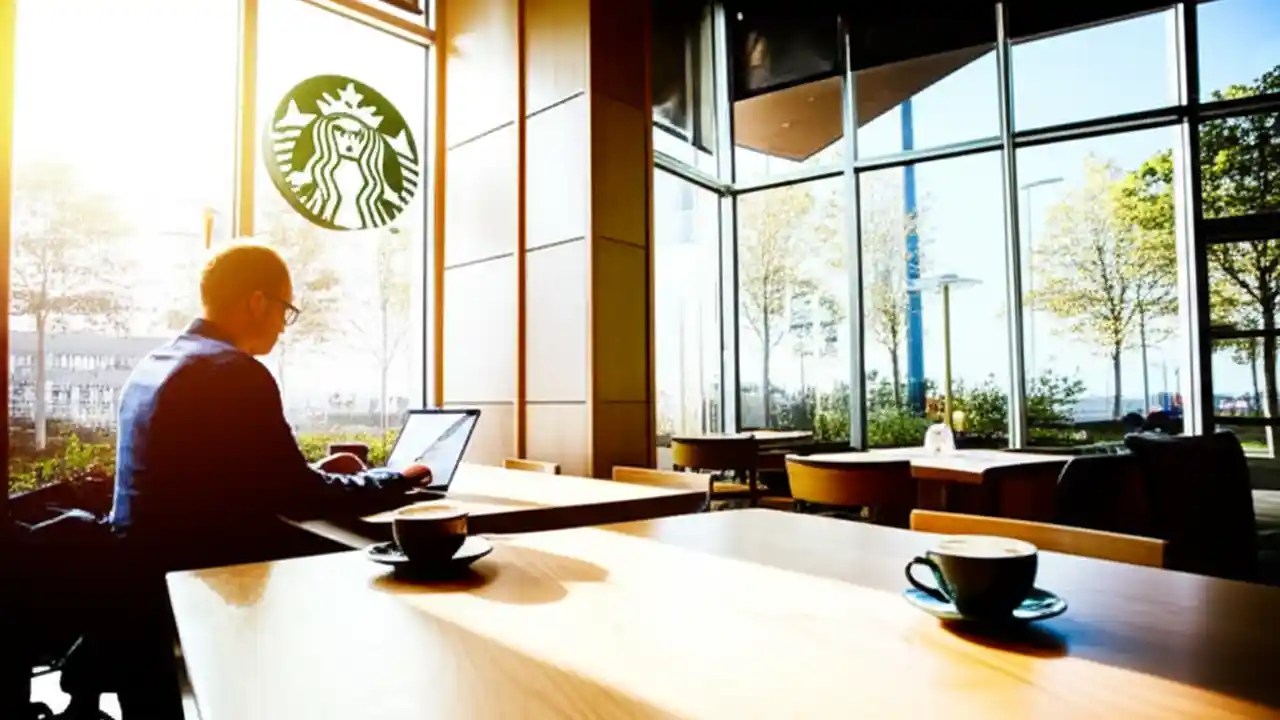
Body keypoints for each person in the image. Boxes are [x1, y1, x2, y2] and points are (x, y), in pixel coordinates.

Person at [83, 243, 429, 718]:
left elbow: (225, 477)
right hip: (201, 580)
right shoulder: (234, 372)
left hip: (134, 582)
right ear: (257, 302)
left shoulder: (155, 365)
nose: (283, 326)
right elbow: (297, 496)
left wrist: (308, 475)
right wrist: (393, 479)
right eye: (286, 310)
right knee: (369, 568)